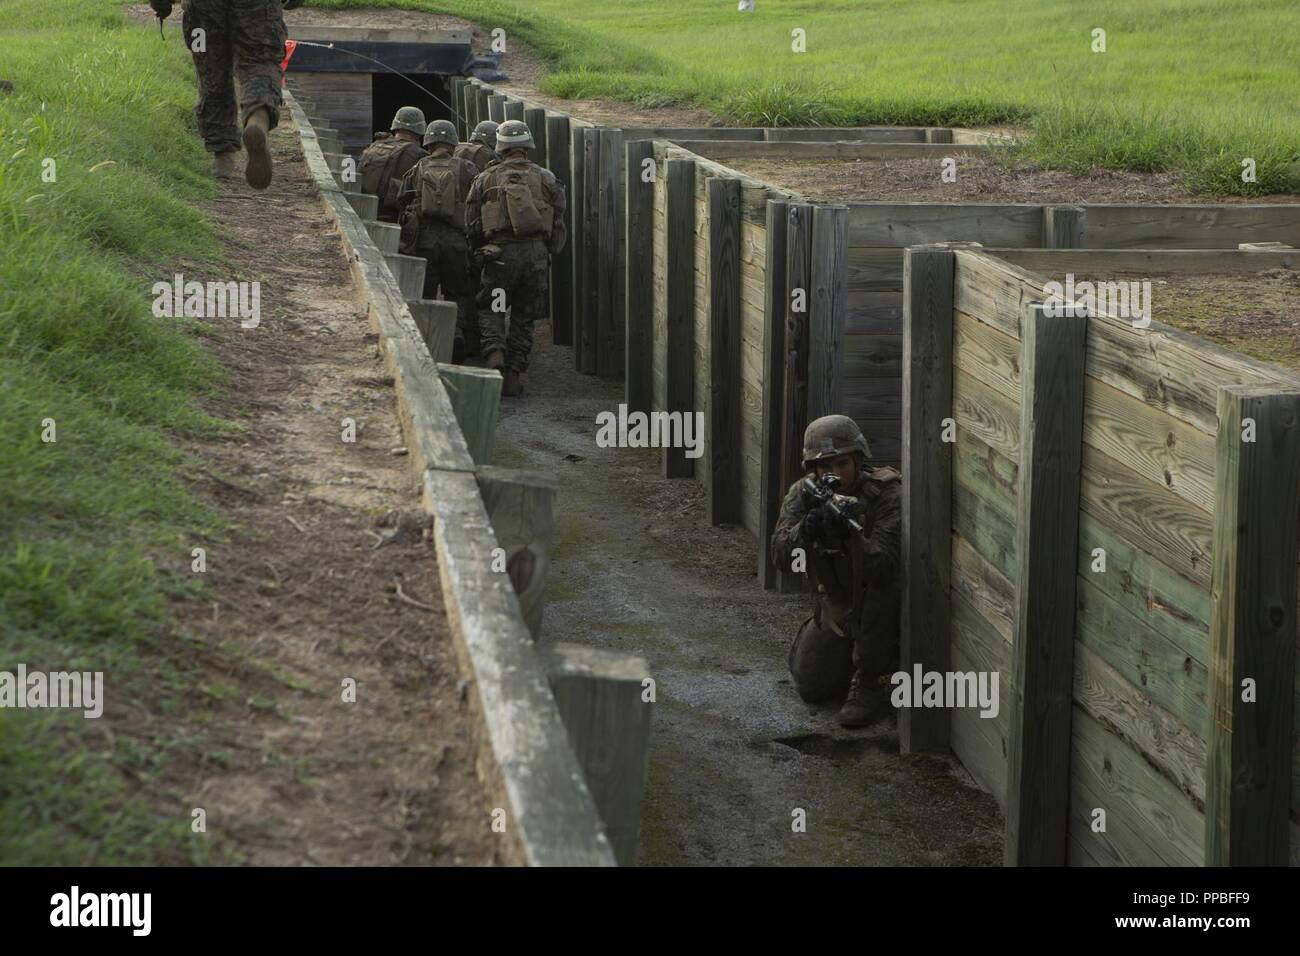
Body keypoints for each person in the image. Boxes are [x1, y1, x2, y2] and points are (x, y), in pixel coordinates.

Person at [770, 415, 902, 727]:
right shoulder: (805, 494)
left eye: (841, 463)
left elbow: (883, 568)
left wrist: (850, 536)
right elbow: (780, 556)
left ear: (857, 459)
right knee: (811, 686)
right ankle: (850, 657)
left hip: (882, 606)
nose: (833, 474)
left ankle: (871, 681)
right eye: (824, 467)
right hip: (839, 605)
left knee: (885, 592)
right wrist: (807, 529)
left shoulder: (887, 495)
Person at [150, 0, 301, 189]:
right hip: (258, 7)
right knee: (260, 62)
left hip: (202, 9)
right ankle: (257, 116)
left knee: (211, 71)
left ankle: (223, 156)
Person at [464, 120, 566, 397]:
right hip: (535, 258)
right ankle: (513, 373)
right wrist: (547, 251)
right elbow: (558, 218)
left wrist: (479, 251)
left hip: (499, 257)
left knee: (493, 306)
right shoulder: (547, 178)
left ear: (501, 147)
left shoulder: (485, 179)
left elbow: (472, 221)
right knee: (524, 315)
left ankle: (495, 351)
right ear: (527, 146)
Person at [396, 120, 481, 362]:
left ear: (429, 142)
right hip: (457, 240)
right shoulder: (468, 168)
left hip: (425, 239)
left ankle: (427, 340)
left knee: (426, 294)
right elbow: (477, 202)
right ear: (453, 143)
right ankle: (456, 333)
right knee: (458, 292)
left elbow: (402, 199)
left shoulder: (418, 167)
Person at [356, 106, 427, 222]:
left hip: (362, 212)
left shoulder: (375, 145)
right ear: (420, 131)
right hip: (394, 219)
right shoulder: (419, 155)